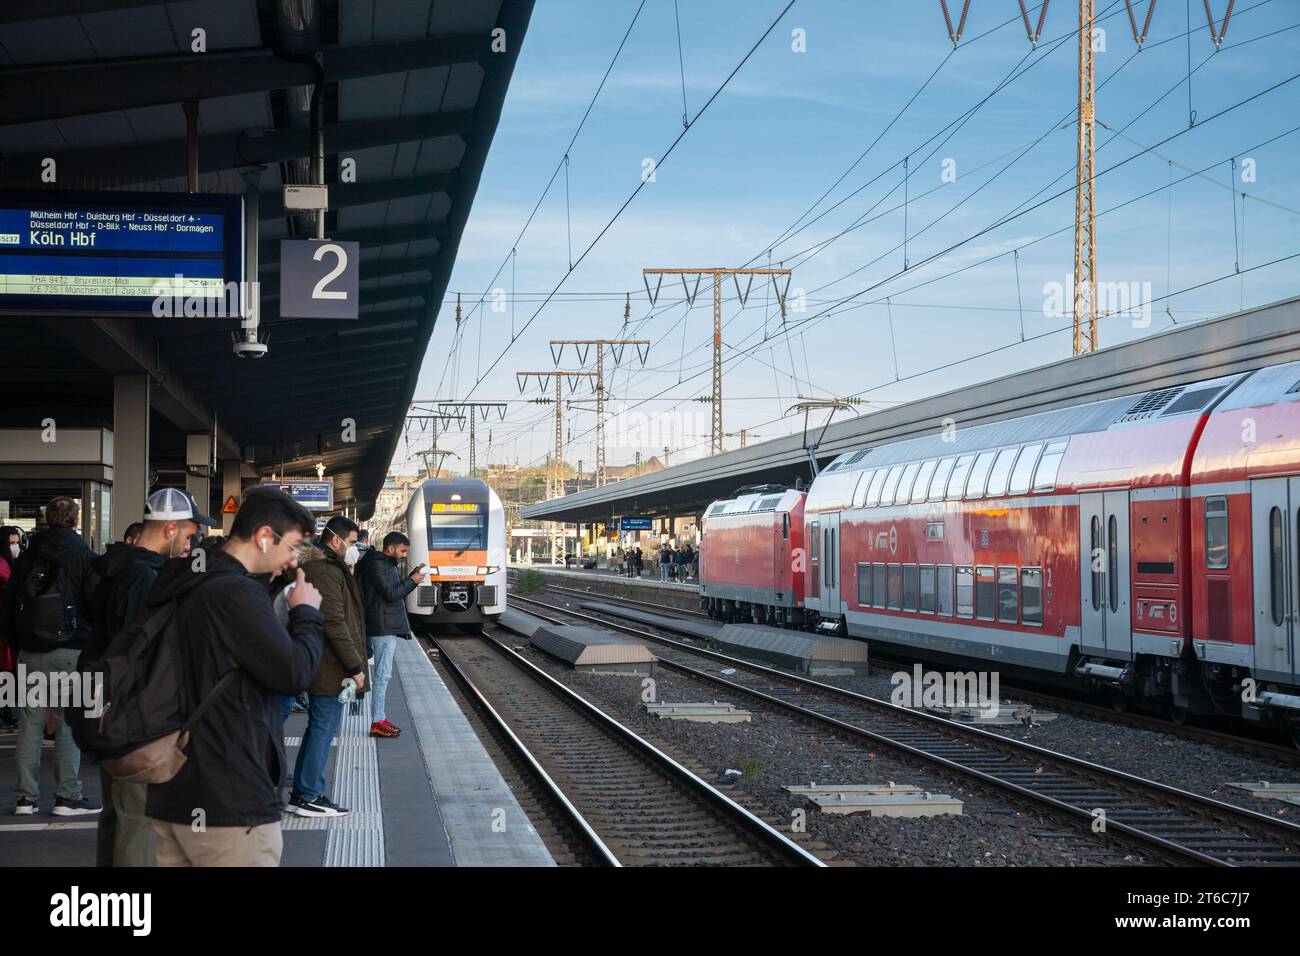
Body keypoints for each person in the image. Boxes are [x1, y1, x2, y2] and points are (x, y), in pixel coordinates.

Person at [145, 485, 323, 866]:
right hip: (229, 795)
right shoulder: (234, 595)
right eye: (291, 546)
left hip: (175, 791)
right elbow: (295, 672)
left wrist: (273, 583)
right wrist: (306, 612)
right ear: (264, 537)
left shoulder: (192, 577)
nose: (293, 560)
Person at [88, 489, 213, 867]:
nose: (191, 545)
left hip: (108, 703)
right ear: (170, 528)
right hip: (136, 711)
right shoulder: (145, 578)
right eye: (189, 536)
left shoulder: (112, 568)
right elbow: (143, 651)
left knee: (118, 811)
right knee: (140, 819)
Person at [0, 498, 101, 817]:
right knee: (68, 724)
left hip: (30, 652)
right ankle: (67, 797)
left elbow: (7, 606)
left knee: (29, 724)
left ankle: (25, 799)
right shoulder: (84, 555)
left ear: (46, 518)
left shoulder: (27, 557)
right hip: (71, 650)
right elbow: (95, 604)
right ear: (75, 520)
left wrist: (19, 646)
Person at [288, 515, 367, 817]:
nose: (354, 547)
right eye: (351, 542)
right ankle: (309, 795)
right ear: (335, 540)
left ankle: (303, 792)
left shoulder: (328, 567)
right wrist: (356, 666)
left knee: (319, 728)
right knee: (323, 728)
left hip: (325, 661)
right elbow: (334, 622)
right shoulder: (324, 570)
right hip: (329, 665)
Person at [356, 532, 424, 739]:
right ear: (391, 548)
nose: (404, 555)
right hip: (381, 625)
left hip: (384, 623)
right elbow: (391, 594)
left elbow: (391, 590)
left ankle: (379, 718)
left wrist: (412, 575)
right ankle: (377, 721)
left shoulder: (382, 563)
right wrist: (412, 581)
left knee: (382, 675)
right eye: (402, 551)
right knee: (382, 675)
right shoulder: (378, 564)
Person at [0, 526, 23, 731]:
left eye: (17, 542)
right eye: (11, 543)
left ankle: (5, 712)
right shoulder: (2, 565)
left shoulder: (9, 563)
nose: (15, 547)